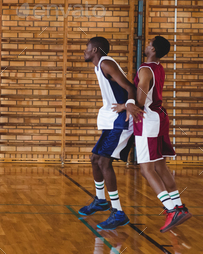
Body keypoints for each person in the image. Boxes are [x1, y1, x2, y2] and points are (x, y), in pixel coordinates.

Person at [113, 36, 191, 232]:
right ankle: (179, 205)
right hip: (159, 118)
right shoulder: (158, 67)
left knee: (146, 169)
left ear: (153, 50)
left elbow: (139, 101)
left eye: (149, 44)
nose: (146, 45)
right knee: (160, 166)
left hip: (147, 121)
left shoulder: (146, 69)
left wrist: (125, 105)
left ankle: (171, 210)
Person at [78, 37, 143, 230]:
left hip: (122, 122)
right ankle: (100, 200)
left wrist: (128, 105)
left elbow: (130, 87)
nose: (85, 52)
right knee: (95, 158)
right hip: (113, 120)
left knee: (104, 161)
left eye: (87, 49)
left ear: (95, 50)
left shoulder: (106, 63)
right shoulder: (100, 65)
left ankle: (118, 212)